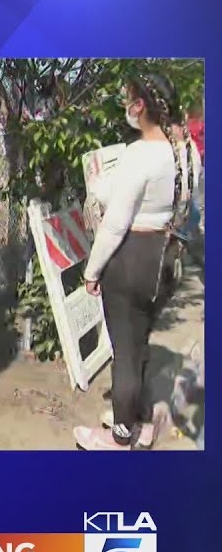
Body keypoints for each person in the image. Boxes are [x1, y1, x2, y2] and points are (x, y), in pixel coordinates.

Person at [74, 73, 199, 451]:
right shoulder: (186, 149)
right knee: (140, 341)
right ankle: (138, 418)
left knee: (125, 352)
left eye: (128, 98)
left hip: (132, 257)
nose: (125, 105)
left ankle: (119, 438)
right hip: (166, 254)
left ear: (139, 105)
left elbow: (115, 224)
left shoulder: (140, 154)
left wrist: (92, 271)